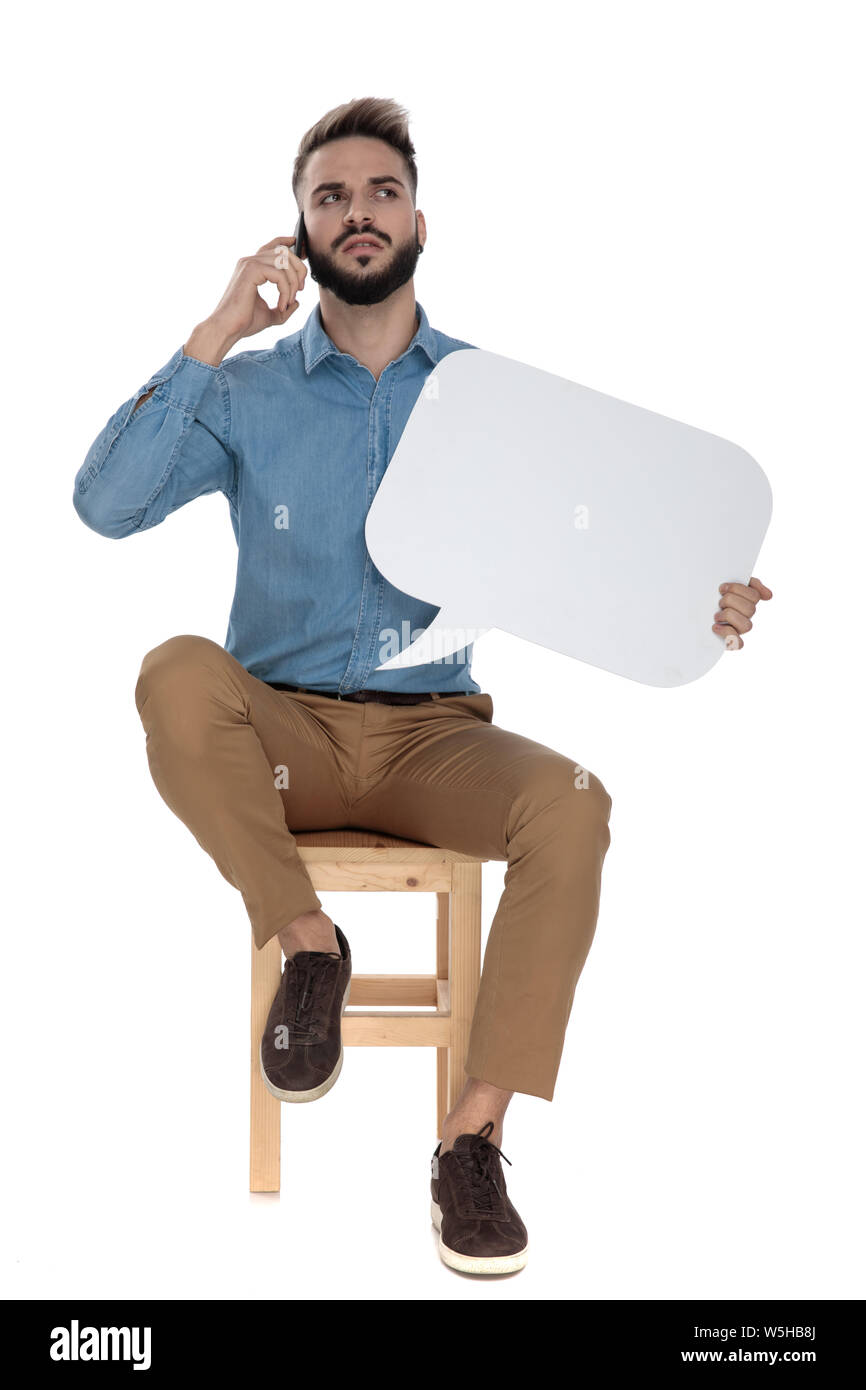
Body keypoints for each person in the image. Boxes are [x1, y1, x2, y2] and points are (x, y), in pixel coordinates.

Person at [72, 95, 770, 1277]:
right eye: (330, 196)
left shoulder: (490, 396)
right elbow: (106, 504)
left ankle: (470, 1143)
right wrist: (213, 328)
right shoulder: (245, 394)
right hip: (280, 731)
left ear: (418, 222)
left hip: (432, 739)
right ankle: (308, 944)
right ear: (297, 229)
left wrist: (699, 599)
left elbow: (610, 541)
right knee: (172, 673)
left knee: (574, 803)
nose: (358, 212)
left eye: (380, 192)